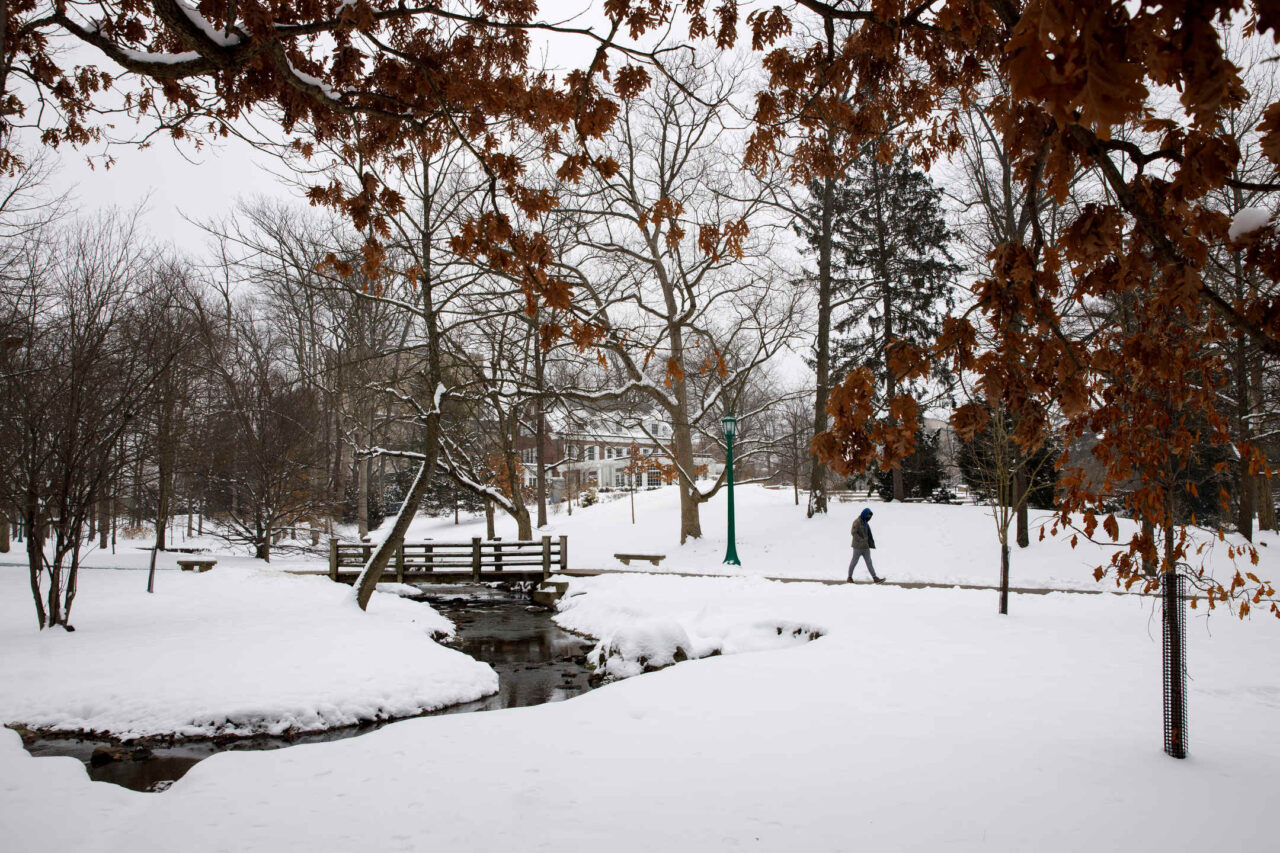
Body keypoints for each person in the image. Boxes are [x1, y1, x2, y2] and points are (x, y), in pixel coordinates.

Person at [848, 507, 884, 583]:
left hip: (865, 547)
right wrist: (861, 540)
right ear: (864, 514)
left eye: (870, 516)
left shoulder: (866, 523)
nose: (869, 517)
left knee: (869, 562)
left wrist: (869, 542)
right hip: (857, 547)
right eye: (868, 515)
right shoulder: (856, 522)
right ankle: (849, 577)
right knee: (854, 562)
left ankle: (875, 578)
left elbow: (868, 535)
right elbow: (853, 533)